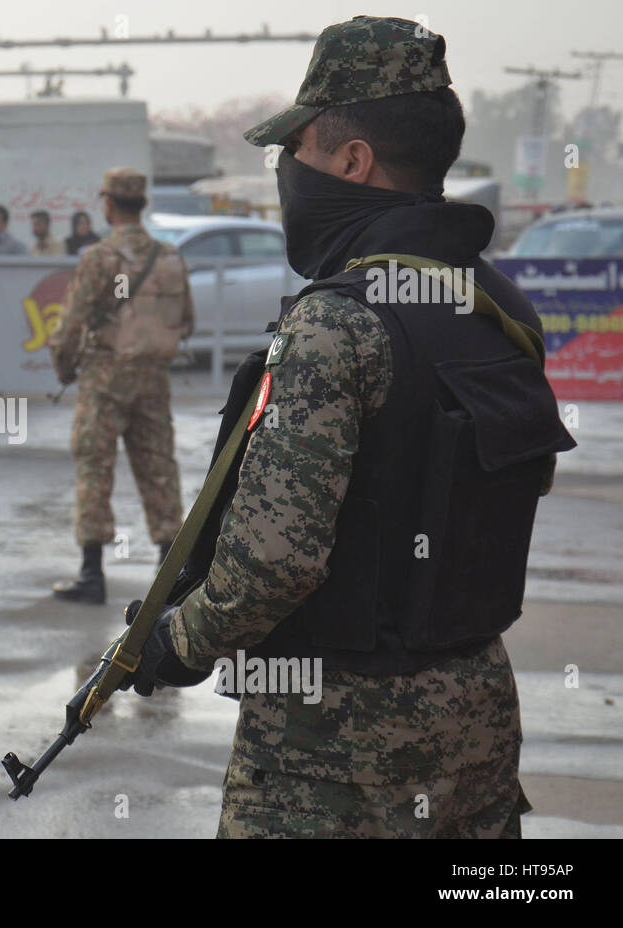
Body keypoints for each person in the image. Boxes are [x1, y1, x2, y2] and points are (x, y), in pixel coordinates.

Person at [118, 16, 576, 838]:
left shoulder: (337, 324)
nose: (289, 173)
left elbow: (271, 565)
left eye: (296, 151)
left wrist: (172, 644)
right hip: (477, 727)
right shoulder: (501, 307)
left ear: (351, 161)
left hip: (331, 757)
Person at [48, 168, 194, 604]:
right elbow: (187, 320)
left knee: (95, 467)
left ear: (108, 203)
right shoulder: (170, 256)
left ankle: (92, 575)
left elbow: (68, 327)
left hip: (105, 379)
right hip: (153, 379)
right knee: (159, 470)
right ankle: (170, 577)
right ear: (143, 204)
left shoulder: (100, 258)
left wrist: (65, 366)